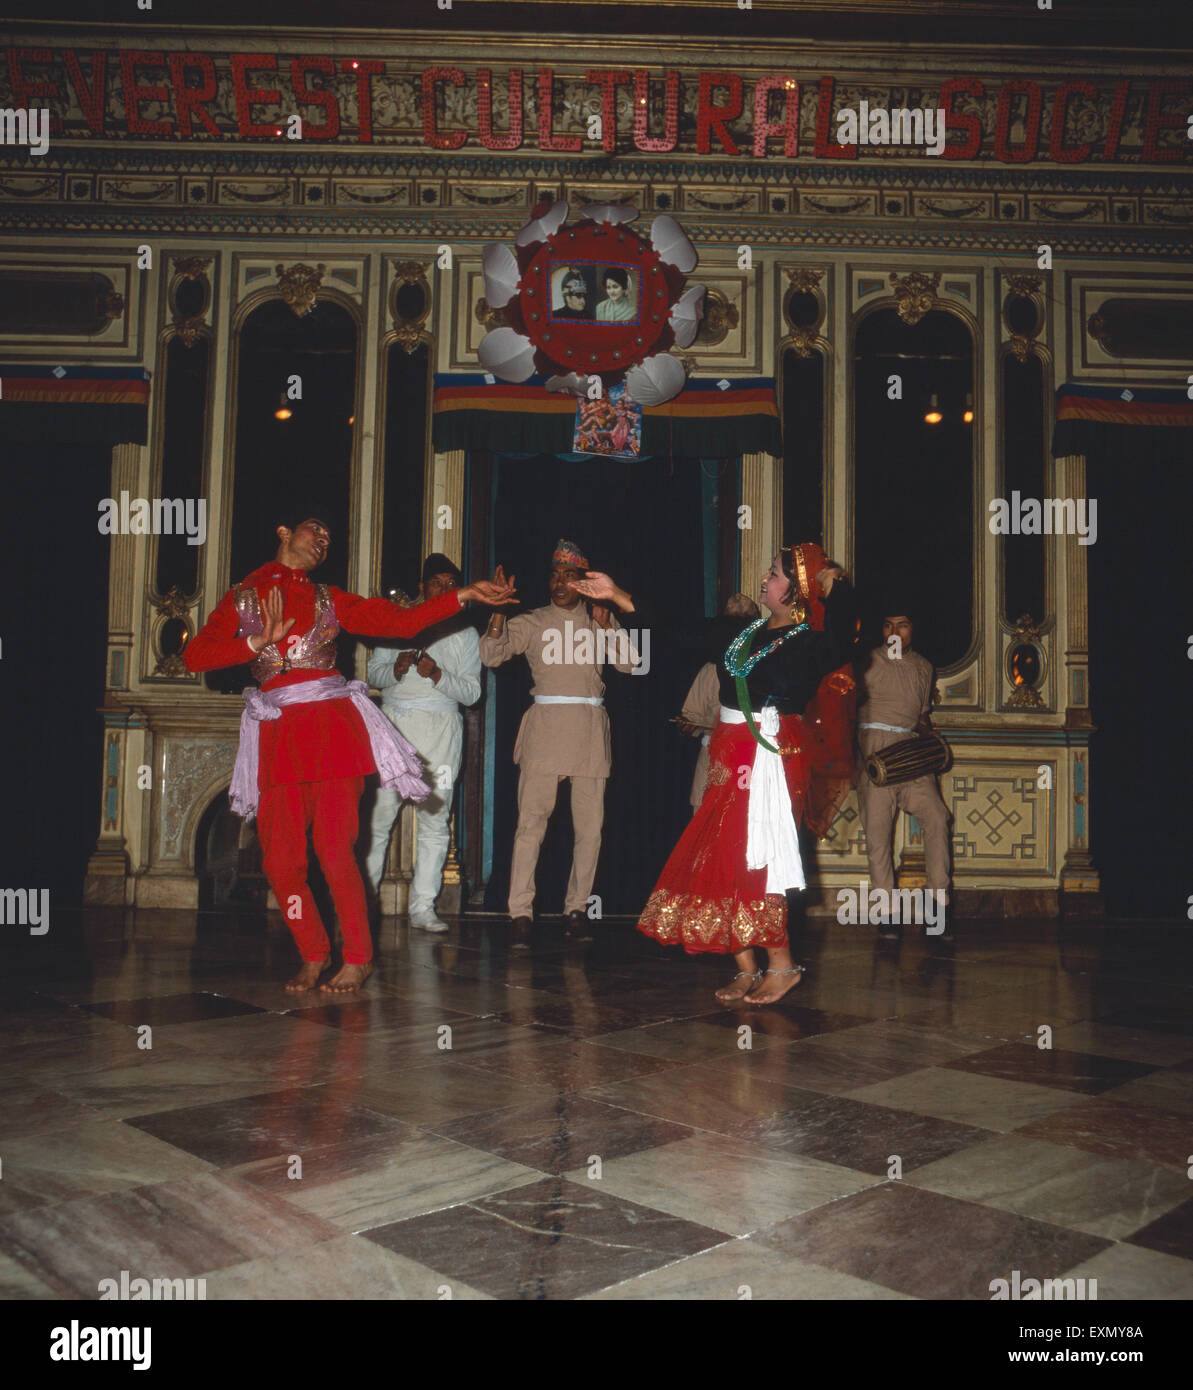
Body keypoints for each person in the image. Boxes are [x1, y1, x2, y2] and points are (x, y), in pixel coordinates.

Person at [184, 512, 515, 992]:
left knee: (336, 851)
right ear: (282, 532)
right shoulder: (241, 598)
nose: (322, 539)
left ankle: (357, 956)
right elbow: (198, 655)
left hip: (335, 735)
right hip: (279, 740)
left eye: (328, 536)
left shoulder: (328, 599)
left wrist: (462, 596)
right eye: (313, 529)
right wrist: (256, 642)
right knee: (280, 864)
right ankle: (314, 951)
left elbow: (400, 623)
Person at [573, 543, 858, 1005]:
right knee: (718, 856)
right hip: (728, 758)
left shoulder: (812, 642)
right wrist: (618, 596)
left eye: (775, 573)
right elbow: (676, 630)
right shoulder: (741, 632)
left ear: (798, 590)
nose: (765, 579)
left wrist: (836, 586)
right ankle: (746, 968)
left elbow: (846, 639)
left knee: (754, 859)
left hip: (769, 760)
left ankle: (783, 966)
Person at [480, 539, 637, 944]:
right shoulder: (532, 621)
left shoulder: (598, 620)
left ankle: (576, 909)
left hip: (588, 729)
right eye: (555, 575)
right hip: (546, 729)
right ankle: (520, 912)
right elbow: (491, 656)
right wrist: (498, 612)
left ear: (584, 583)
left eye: (570, 576)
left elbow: (632, 664)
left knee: (590, 829)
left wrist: (607, 624)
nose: (560, 582)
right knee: (531, 824)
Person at [364, 553, 482, 932]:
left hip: (442, 726)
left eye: (452, 583)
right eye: (437, 583)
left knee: (434, 820)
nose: (445, 590)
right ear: (422, 587)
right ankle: (363, 903)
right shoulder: (398, 622)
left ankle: (423, 908)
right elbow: (374, 674)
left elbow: (472, 693)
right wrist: (394, 671)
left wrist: (438, 676)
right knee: (379, 817)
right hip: (395, 724)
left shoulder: (464, 633)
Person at [855, 605, 952, 935]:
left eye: (903, 625)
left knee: (937, 817)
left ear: (914, 629)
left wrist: (932, 741)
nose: (894, 632)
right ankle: (887, 912)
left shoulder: (924, 667)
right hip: (875, 748)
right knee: (878, 835)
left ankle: (936, 903)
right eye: (888, 626)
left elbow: (922, 717)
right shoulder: (866, 661)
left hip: (911, 751)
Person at [676, 594, 760, 811]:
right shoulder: (710, 670)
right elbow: (691, 716)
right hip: (712, 759)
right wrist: (688, 725)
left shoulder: (763, 668)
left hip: (750, 761)